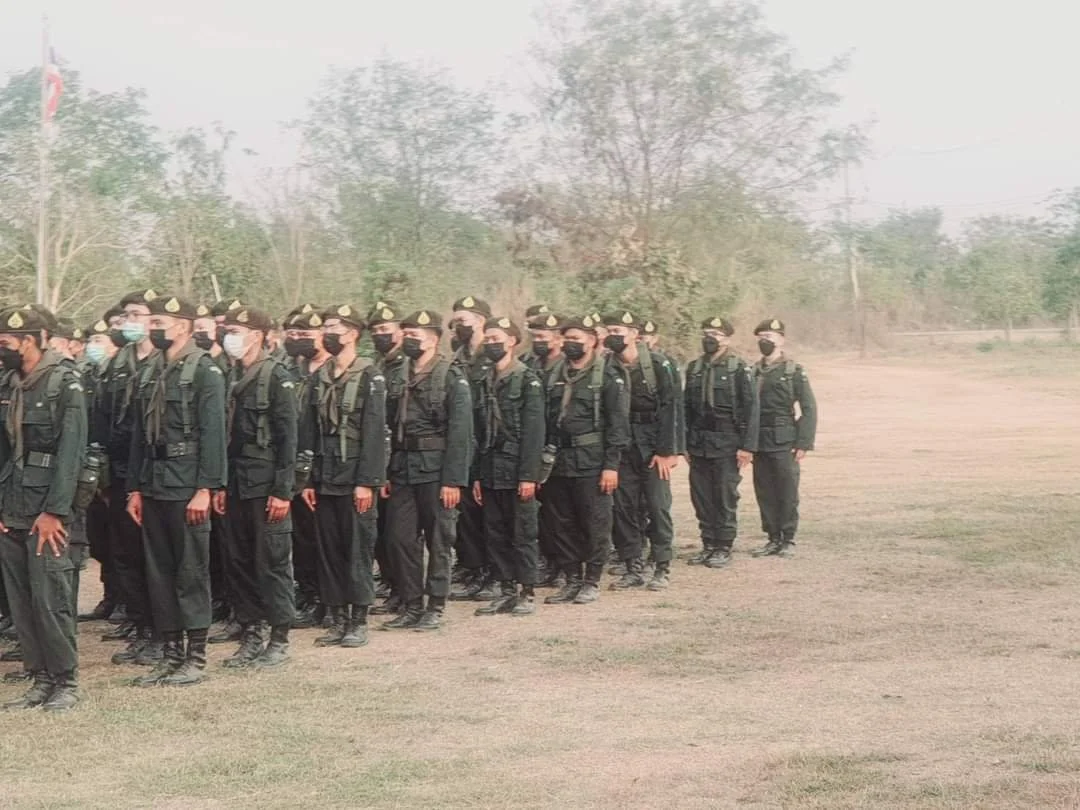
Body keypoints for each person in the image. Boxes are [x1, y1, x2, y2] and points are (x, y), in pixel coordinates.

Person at [126, 295, 227, 687]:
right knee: (159, 572)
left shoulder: (206, 371)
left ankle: (195, 656)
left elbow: (213, 433)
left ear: (183, 326)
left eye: (160, 321)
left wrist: (205, 487)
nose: (152, 327)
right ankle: (170, 653)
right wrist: (134, 487)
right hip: (154, 483)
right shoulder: (151, 370)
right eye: (150, 321)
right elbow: (140, 435)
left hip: (186, 484)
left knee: (191, 571)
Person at [0, 306, 87, 711]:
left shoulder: (64, 383)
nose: (2, 350)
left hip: (47, 511)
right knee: (22, 602)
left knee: (52, 599)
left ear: (30, 340)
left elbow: (72, 455)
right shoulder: (8, 384)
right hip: (12, 506)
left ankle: (65, 681)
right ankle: (39, 679)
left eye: (6, 343)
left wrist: (55, 512)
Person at [215, 307, 299, 668]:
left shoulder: (277, 376)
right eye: (227, 330)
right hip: (235, 483)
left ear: (258, 334)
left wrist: (283, 490)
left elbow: (289, 439)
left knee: (272, 562)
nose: (228, 337)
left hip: (266, 484)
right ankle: (251, 632)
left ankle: (279, 636)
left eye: (236, 330)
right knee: (238, 562)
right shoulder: (229, 375)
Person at [300, 305, 386, 648]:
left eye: (334, 326)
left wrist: (367, 482)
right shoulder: (319, 376)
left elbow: (375, 433)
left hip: (355, 478)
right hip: (324, 476)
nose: (327, 332)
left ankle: (358, 619)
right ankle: (336, 616)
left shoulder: (369, 375)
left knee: (357, 548)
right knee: (329, 549)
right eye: (326, 327)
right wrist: (306, 480)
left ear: (352, 333)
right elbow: (307, 431)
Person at [381, 310, 472, 631]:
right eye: (405, 335)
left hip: (436, 471)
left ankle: (435, 603)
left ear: (433, 339)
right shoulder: (397, 374)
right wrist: (386, 472)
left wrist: (453, 480)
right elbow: (388, 427)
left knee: (438, 540)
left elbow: (461, 434)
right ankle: (410, 603)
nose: (409, 340)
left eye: (415, 335)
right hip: (403, 469)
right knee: (399, 538)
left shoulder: (451, 376)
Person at [541, 314, 629, 605]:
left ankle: (591, 579)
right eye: (566, 339)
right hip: (558, 461)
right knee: (561, 522)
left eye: (577, 339)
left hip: (592, 460)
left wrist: (611, 466)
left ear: (593, 341)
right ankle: (571, 578)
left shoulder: (608, 375)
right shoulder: (555, 373)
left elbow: (618, 424)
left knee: (595, 521)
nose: (571, 344)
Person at [94, 290, 162, 663]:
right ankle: (141, 626)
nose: (128, 322)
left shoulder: (163, 363)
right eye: (125, 316)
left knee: (152, 555)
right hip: (120, 472)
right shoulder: (117, 362)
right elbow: (103, 420)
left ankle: (159, 632)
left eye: (137, 314)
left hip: (153, 473)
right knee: (125, 555)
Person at [602, 311, 680, 591]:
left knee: (658, 506)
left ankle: (661, 565)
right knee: (624, 508)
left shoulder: (659, 364)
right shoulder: (605, 366)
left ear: (635, 333)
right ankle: (632, 564)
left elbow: (673, 407)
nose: (614, 334)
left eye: (619, 330)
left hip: (653, 446)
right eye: (609, 329)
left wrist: (668, 451)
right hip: (622, 445)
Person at [472, 317, 544, 616]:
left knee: (522, 531)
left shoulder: (528, 379)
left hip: (517, 468)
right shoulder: (484, 379)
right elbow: (477, 432)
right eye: (487, 339)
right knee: (495, 531)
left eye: (496, 338)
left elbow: (534, 432)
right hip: (490, 468)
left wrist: (529, 476)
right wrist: (476, 475)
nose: (491, 343)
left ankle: (526, 591)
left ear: (513, 341)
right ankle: (505, 589)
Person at [683, 317, 759, 567]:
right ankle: (708, 544)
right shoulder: (694, 368)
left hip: (727, 441)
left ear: (727, 339)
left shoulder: (738, 368)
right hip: (699, 442)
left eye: (716, 333)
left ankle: (723, 546)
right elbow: (685, 409)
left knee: (724, 495)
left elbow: (751, 408)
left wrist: (747, 446)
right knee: (701, 496)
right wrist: (684, 443)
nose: (710, 338)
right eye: (706, 333)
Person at [750, 319, 817, 558]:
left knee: (786, 490)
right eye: (761, 336)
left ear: (781, 339)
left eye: (770, 335)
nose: (765, 340)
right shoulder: (753, 371)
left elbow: (808, 407)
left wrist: (803, 442)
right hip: (758, 439)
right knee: (764, 490)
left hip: (784, 439)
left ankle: (787, 538)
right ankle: (772, 537)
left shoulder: (793, 371)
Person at [281, 308, 329, 628]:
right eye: (294, 335)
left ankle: (327, 599)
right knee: (300, 538)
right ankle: (308, 592)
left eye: (306, 335)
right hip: (295, 467)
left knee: (323, 537)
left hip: (326, 466)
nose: (299, 341)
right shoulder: (291, 370)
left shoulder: (334, 371)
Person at [447, 296, 495, 602]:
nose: (458, 326)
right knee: (462, 511)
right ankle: (470, 565)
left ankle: (490, 572)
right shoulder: (458, 356)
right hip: (464, 443)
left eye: (463, 320)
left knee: (486, 513)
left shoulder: (490, 356)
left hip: (486, 442)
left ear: (480, 320)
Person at [366, 302, 406, 616]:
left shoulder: (407, 366)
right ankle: (392, 585)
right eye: (376, 330)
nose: (382, 334)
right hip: (380, 455)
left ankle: (406, 590)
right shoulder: (375, 365)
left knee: (399, 532)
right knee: (380, 531)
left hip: (401, 457)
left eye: (386, 329)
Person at [523, 312, 566, 588]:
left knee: (562, 511)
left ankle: (565, 565)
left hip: (562, 448)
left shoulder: (567, 367)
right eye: (535, 336)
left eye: (543, 337)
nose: (538, 341)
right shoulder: (528, 364)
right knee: (543, 512)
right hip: (535, 446)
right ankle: (549, 562)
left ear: (559, 338)